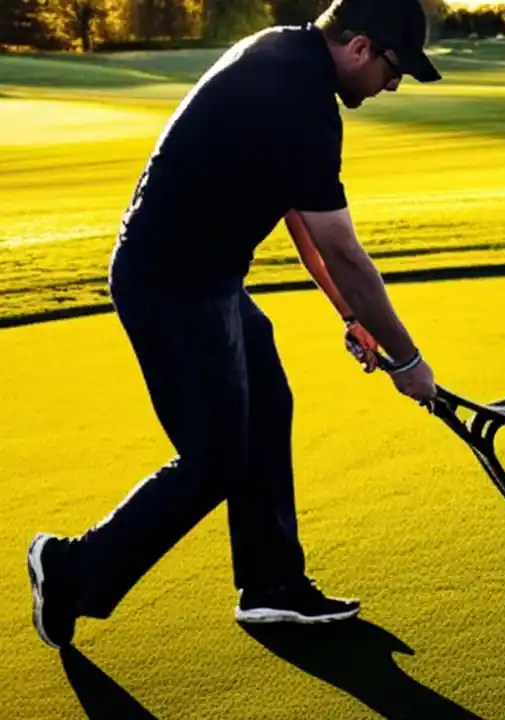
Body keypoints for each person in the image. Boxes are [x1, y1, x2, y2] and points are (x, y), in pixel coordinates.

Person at [26, 0, 441, 650]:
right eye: (394, 69)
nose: (393, 84)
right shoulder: (300, 94)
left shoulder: (289, 60)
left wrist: (352, 315)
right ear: (360, 47)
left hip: (206, 280)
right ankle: (69, 568)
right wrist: (408, 360)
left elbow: (303, 221)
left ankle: (271, 585)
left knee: (269, 401)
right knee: (215, 460)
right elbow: (344, 251)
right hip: (170, 285)